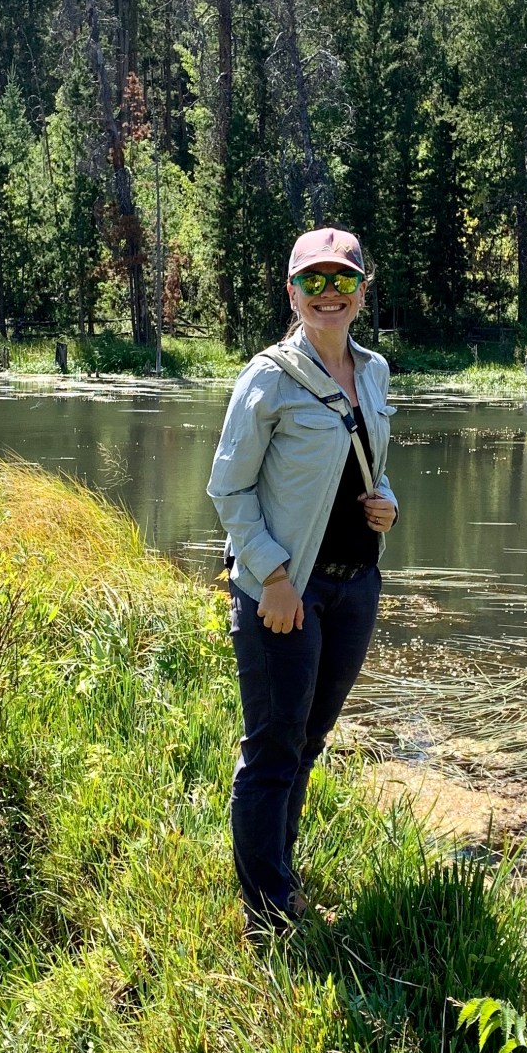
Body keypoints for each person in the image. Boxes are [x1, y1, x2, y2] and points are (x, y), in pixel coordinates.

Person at [207, 227, 398, 934]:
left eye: (341, 281)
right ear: (291, 293)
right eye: (312, 281)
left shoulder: (374, 371)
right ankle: (265, 910)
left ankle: (276, 870)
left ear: (360, 292)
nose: (327, 294)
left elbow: (369, 467)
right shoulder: (267, 378)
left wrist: (390, 503)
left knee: (311, 737)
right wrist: (273, 576)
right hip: (287, 592)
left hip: (354, 586)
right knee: (273, 746)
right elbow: (229, 491)